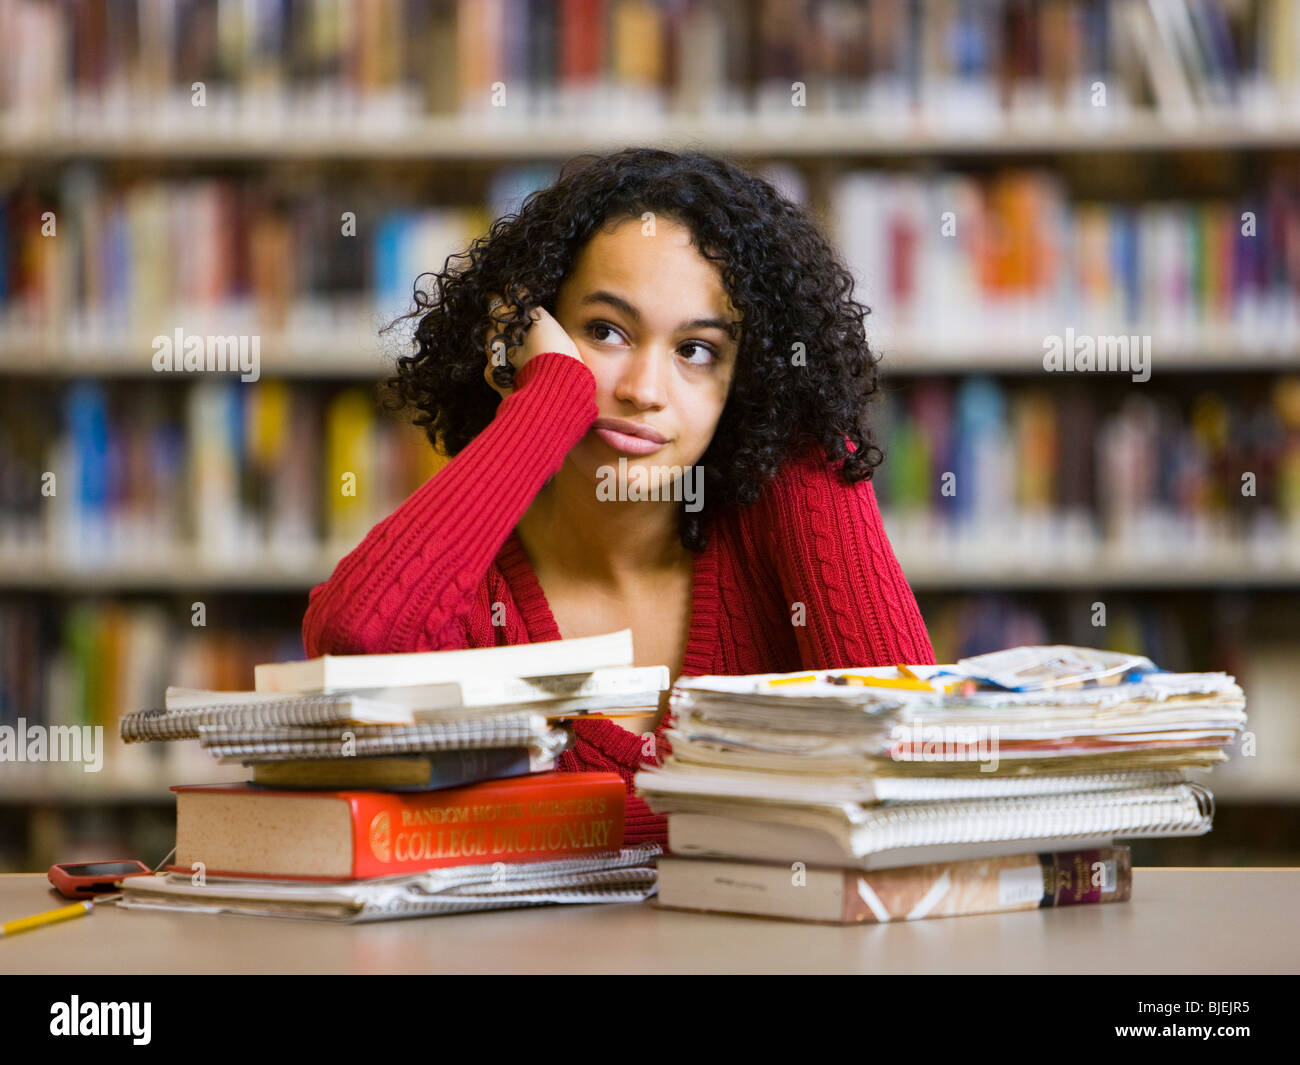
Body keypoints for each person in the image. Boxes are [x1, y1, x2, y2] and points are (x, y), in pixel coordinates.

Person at [302, 147, 936, 847]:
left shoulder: (777, 509)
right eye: (605, 331)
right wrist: (549, 399)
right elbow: (358, 638)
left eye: (696, 351)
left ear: (747, 379)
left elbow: (913, 753)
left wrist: (806, 438)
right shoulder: (469, 586)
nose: (643, 390)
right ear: (530, 334)